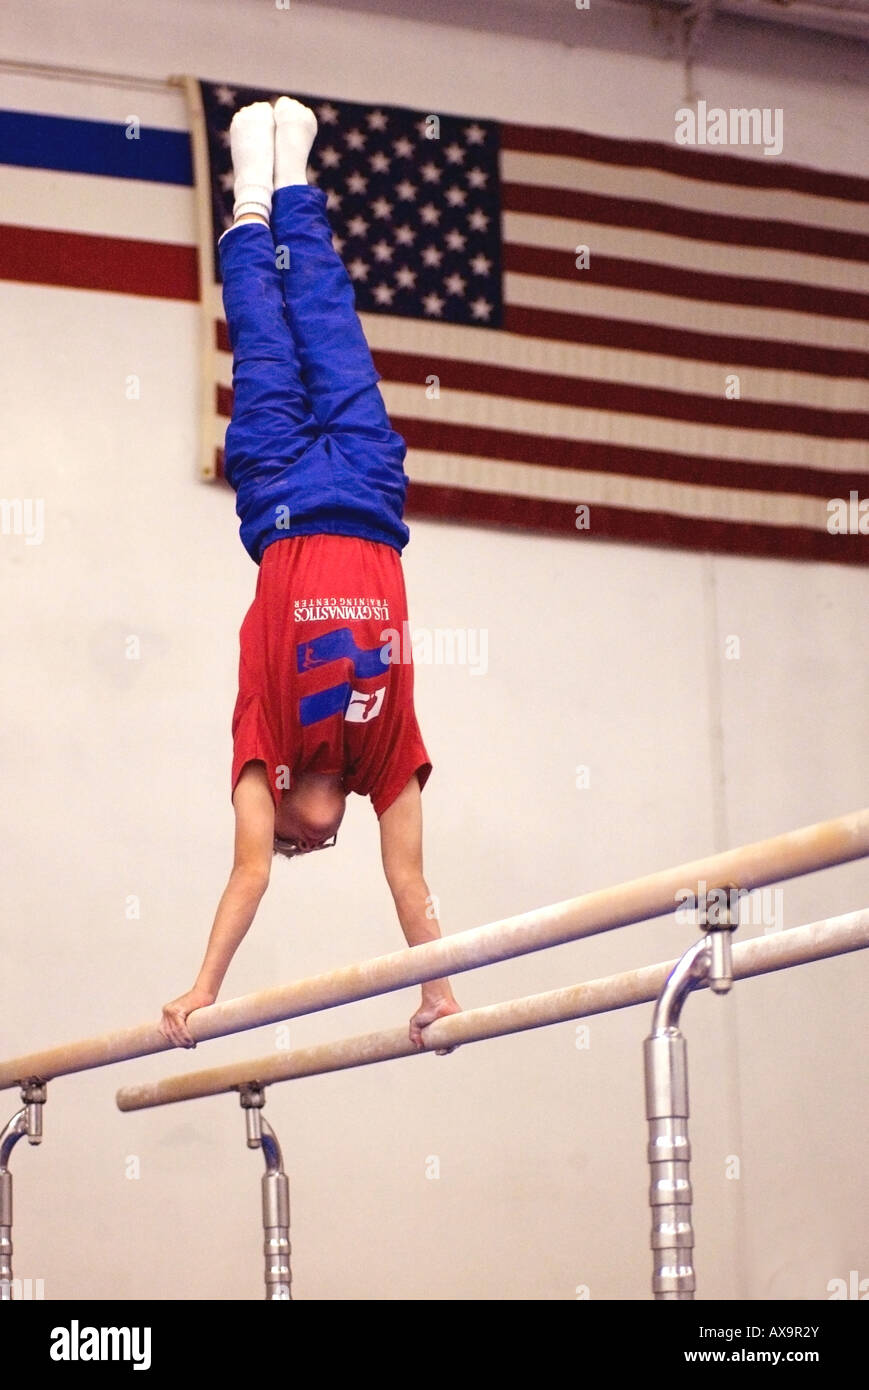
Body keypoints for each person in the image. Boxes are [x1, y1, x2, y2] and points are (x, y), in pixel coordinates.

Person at [159, 98, 460, 1052]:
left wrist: (202, 989)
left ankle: (251, 192)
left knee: (261, 319)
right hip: (370, 491)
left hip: (283, 493)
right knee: (325, 307)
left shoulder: (265, 744)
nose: (301, 845)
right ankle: (296, 179)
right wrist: (438, 991)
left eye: (286, 840)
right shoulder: (385, 761)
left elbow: (245, 874)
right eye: (303, 847)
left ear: (272, 804)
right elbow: (410, 883)